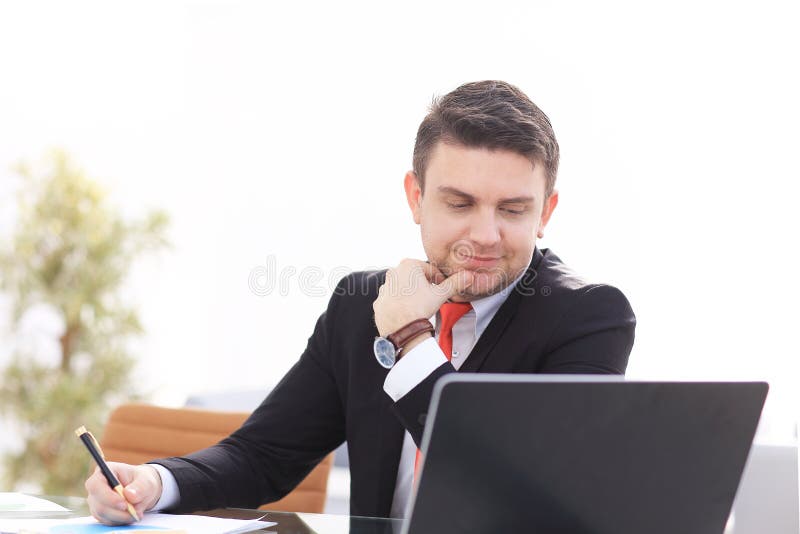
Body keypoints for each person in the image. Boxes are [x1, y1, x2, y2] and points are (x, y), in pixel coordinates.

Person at [85, 80, 636, 523]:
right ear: (415, 198)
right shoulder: (358, 304)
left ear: (546, 212)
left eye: (513, 210)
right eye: (460, 203)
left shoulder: (588, 319)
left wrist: (410, 340)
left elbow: (525, 500)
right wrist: (156, 482)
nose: (486, 234)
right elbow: (264, 454)